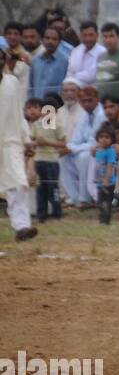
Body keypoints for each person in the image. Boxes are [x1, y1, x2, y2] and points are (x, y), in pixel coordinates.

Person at [0, 49, 36, 240]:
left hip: (10, 142)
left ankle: (22, 226)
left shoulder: (12, 83)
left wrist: (27, 139)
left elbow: (19, 114)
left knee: (19, 184)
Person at [25, 96, 66, 221]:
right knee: (40, 188)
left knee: (53, 188)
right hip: (39, 161)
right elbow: (31, 141)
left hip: (52, 161)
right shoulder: (36, 125)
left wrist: (47, 142)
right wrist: (34, 144)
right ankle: (41, 214)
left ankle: (57, 213)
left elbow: (63, 144)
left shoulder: (57, 126)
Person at [29, 26, 70, 100]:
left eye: (54, 39)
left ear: (59, 41)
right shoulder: (36, 61)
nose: (50, 41)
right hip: (37, 106)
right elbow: (31, 86)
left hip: (56, 106)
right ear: (42, 40)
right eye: (47, 38)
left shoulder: (65, 62)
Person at [66, 21, 106, 88]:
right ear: (80, 36)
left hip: (93, 94)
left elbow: (91, 76)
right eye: (85, 35)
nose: (88, 39)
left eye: (91, 35)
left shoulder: (103, 52)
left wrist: (73, 77)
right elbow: (69, 72)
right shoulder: (76, 51)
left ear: (97, 35)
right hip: (74, 93)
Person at [93, 125, 118, 225]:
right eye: (101, 137)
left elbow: (110, 166)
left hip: (108, 183)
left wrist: (107, 180)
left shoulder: (110, 152)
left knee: (106, 202)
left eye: (107, 137)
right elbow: (98, 166)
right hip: (100, 182)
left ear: (112, 140)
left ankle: (106, 220)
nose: (103, 140)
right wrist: (96, 178)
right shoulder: (99, 151)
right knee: (100, 202)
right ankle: (101, 219)